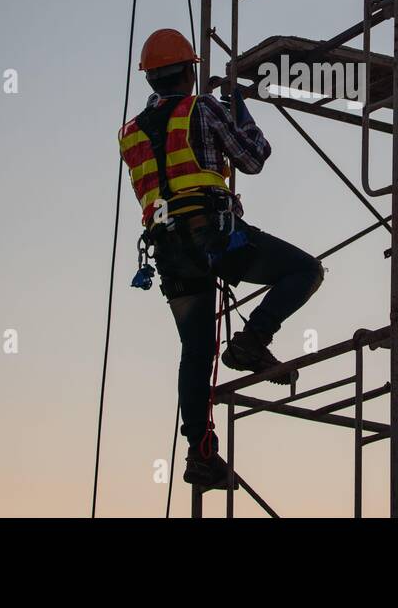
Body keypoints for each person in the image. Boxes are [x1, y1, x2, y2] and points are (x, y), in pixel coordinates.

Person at [117, 28, 325, 491]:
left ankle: (199, 454)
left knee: (196, 351)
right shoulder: (202, 108)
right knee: (305, 270)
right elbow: (253, 158)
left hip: (170, 254)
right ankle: (252, 340)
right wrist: (236, 103)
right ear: (190, 72)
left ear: (150, 79)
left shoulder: (129, 134)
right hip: (214, 238)